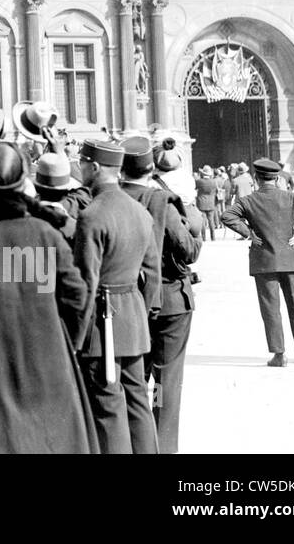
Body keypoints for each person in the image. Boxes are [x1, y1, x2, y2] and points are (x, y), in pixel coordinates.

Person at [0, 143, 94, 453]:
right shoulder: (44, 232)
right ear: (22, 180)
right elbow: (78, 297)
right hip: (46, 359)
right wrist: (68, 344)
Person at [72, 139, 161, 454]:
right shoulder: (140, 210)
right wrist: (141, 313)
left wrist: (77, 337)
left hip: (102, 321)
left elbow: (86, 281)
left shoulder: (92, 215)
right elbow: (152, 275)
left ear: (94, 167)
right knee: (138, 400)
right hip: (132, 316)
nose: (79, 169)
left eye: (82, 163)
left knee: (108, 404)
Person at [118, 137, 201, 454]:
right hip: (168, 303)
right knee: (166, 382)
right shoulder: (163, 201)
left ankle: (136, 440)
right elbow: (188, 249)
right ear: (149, 167)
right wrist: (190, 215)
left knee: (136, 376)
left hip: (129, 302)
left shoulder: (110, 198)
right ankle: (162, 446)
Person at [220, 158, 294, 366]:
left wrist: (248, 233)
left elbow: (227, 216)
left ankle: (279, 354)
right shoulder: (290, 197)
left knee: (270, 307)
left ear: (256, 179)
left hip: (264, 260)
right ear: (276, 179)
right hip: (290, 257)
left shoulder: (248, 201)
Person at [194, 165, 218, 242]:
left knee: (203, 221)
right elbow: (216, 191)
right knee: (211, 220)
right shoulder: (214, 181)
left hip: (201, 202)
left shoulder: (199, 181)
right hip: (211, 202)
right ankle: (213, 237)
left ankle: (204, 237)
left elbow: (195, 188)